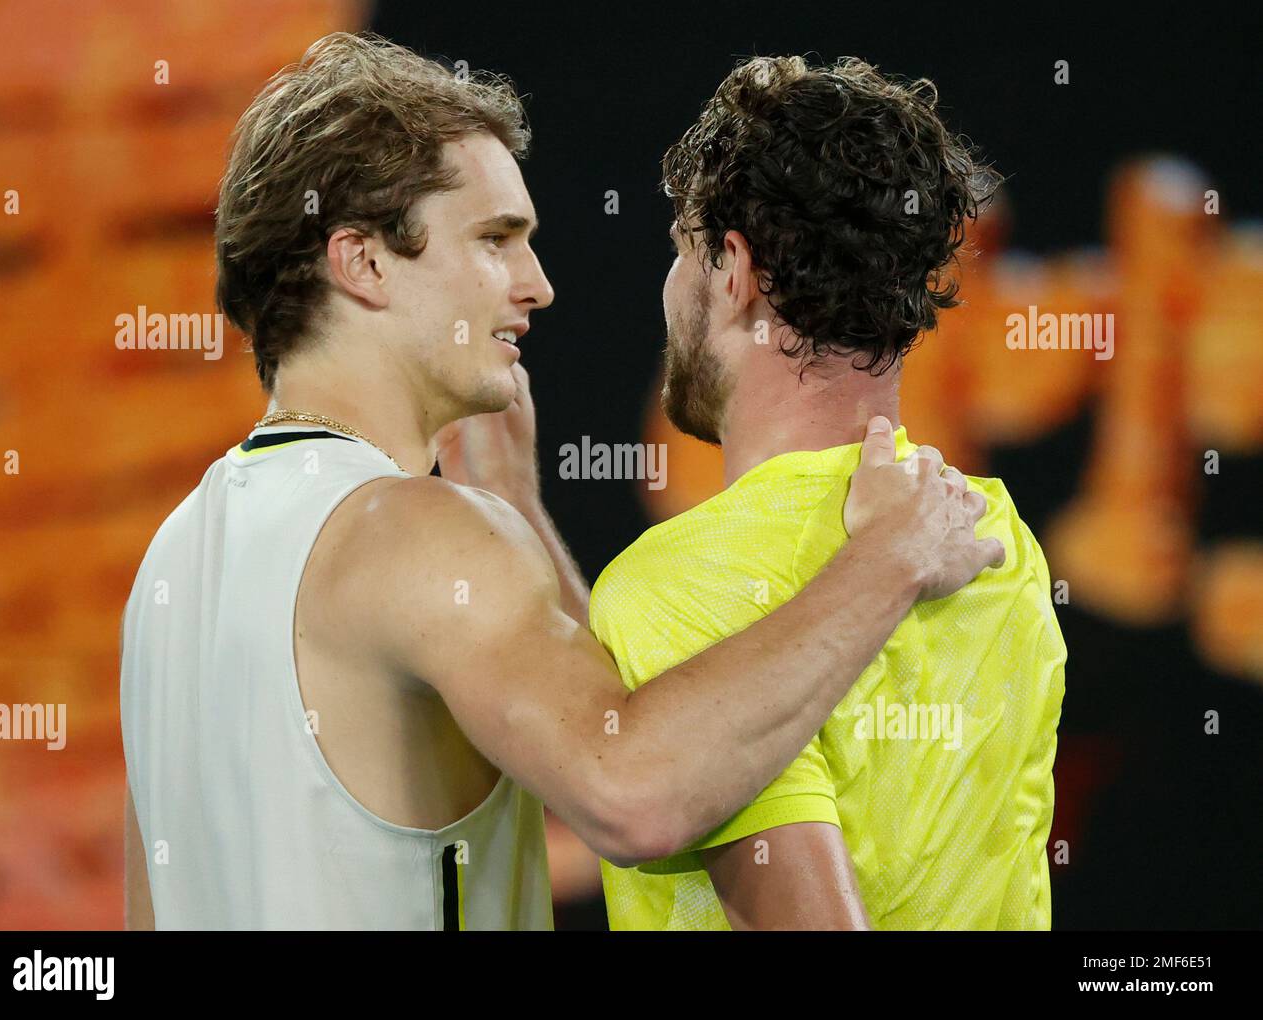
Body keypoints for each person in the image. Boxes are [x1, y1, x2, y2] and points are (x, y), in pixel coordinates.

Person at [119, 34, 1001, 930]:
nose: (537, 285)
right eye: (495, 241)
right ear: (365, 263)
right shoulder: (417, 532)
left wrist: (520, 506)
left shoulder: (168, 566)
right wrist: (886, 563)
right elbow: (635, 789)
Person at [592, 55, 1066, 930]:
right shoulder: (1001, 541)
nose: (671, 290)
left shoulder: (676, 587)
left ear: (733, 271)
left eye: (680, 255)